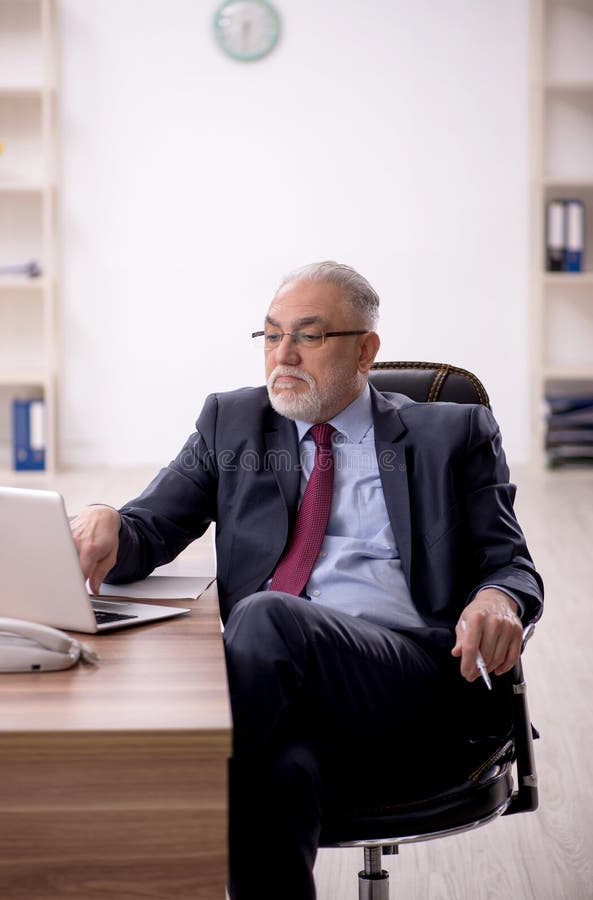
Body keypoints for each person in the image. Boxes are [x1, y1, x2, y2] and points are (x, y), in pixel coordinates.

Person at [71, 261, 543, 900]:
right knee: (276, 775)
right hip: (276, 691)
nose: (282, 355)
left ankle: (159, 808)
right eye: (270, 336)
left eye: (308, 337)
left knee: (266, 615)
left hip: (405, 677)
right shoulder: (231, 422)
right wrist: (107, 522)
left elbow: (510, 564)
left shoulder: (448, 434)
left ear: (366, 351)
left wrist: (497, 597)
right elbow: (147, 530)